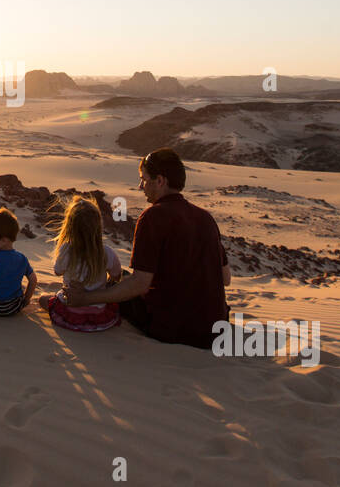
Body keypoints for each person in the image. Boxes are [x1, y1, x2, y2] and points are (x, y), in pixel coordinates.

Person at [62, 148, 230, 347]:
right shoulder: (206, 218)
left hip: (173, 330)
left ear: (160, 181)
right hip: (215, 329)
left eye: (143, 179)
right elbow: (225, 279)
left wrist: (86, 299)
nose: (140, 186)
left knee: (116, 286)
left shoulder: (153, 217)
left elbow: (139, 284)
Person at [37, 195, 122, 332]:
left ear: (69, 227)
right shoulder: (107, 252)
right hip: (99, 312)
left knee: (42, 299)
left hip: (70, 308)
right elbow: (116, 275)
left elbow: (57, 271)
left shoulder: (67, 249)